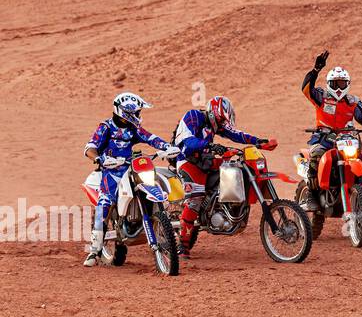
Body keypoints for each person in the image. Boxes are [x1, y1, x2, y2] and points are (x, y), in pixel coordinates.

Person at [173, 95, 277, 257]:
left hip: (206, 161)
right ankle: (183, 246)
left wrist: (259, 142)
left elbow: (237, 134)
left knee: (234, 169)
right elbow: (188, 142)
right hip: (188, 162)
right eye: (221, 121)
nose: (222, 125)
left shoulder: (217, 125)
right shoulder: (193, 116)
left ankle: (227, 208)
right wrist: (211, 145)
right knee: (195, 199)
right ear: (214, 114)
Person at [83, 92, 178, 266]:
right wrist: (99, 158)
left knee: (153, 181)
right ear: (124, 112)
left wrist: (167, 147)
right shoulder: (106, 127)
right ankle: (94, 250)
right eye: (136, 113)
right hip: (112, 171)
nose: (138, 116)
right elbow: (90, 147)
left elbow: (151, 138)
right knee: (104, 203)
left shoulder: (133, 129)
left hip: (131, 168)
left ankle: (160, 222)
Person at [301, 50, 362, 236]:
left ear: (348, 84)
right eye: (335, 83)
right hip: (323, 138)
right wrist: (315, 69)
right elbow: (306, 89)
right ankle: (312, 195)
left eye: (342, 83)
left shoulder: (353, 101)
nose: (339, 87)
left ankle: (361, 213)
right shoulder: (321, 96)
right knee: (316, 155)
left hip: (346, 139)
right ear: (329, 84)